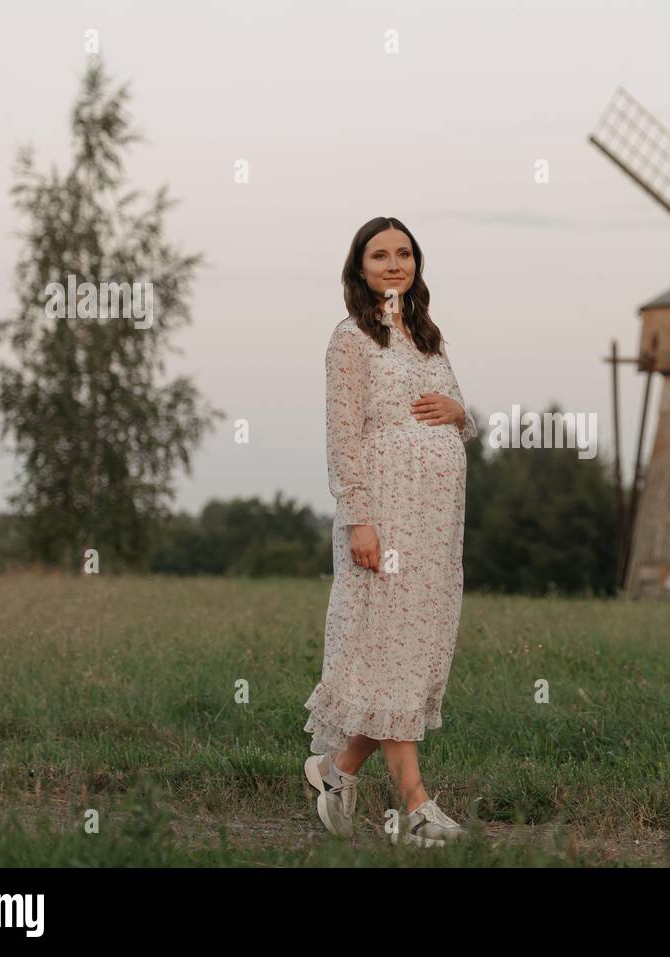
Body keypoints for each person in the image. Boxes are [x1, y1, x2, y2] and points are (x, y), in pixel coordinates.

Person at [302, 216, 477, 847]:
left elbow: (459, 415)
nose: (394, 263)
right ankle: (416, 809)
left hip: (436, 525)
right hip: (384, 516)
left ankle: (337, 770)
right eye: (380, 255)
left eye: (404, 254)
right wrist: (359, 519)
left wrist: (463, 414)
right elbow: (342, 436)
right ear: (359, 267)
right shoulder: (350, 339)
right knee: (386, 648)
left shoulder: (427, 338)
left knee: (408, 653)